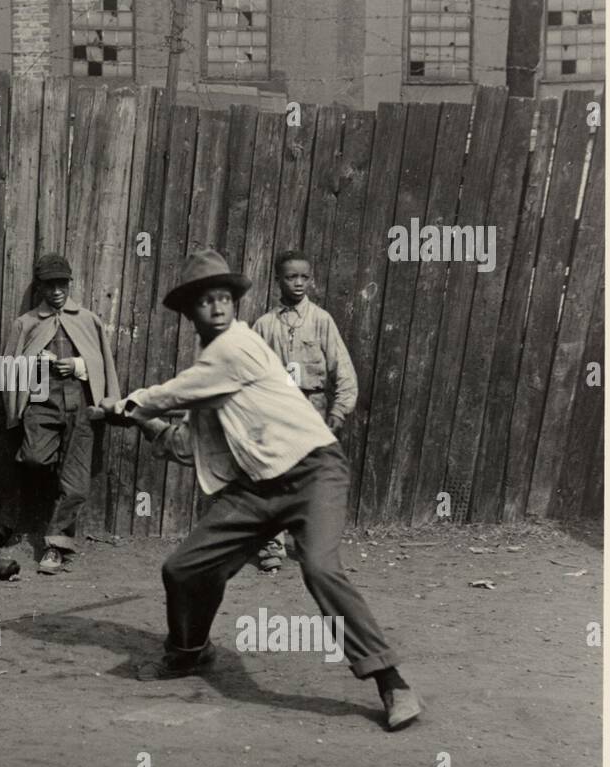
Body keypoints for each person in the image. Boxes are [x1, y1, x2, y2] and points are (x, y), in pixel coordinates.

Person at [105, 248, 421, 731]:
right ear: (190, 311)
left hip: (314, 472)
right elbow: (191, 441)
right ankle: (190, 652)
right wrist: (139, 423)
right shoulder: (212, 369)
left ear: (235, 304)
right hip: (257, 487)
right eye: (205, 300)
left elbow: (170, 394)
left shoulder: (236, 346)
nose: (217, 307)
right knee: (184, 567)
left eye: (224, 298)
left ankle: (392, 682)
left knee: (318, 568)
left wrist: (124, 407)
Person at [0, 252, 119, 574]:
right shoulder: (25, 324)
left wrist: (80, 366)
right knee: (37, 458)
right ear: (40, 287)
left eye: (61, 284)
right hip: (41, 403)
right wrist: (38, 362)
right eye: (49, 285)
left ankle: (55, 546)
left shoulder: (87, 319)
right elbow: (10, 368)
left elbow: (102, 364)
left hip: (80, 403)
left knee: (77, 485)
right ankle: (53, 483)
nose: (56, 291)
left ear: (70, 284)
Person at [251, 250, 358, 572]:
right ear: (277, 280)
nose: (298, 283)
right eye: (290, 277)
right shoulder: (264, 325)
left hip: (313, 409)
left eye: (303, 277)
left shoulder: (322, 321)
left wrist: (337, 414)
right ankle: (272, 545)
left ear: (310, 279)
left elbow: (345, 374)